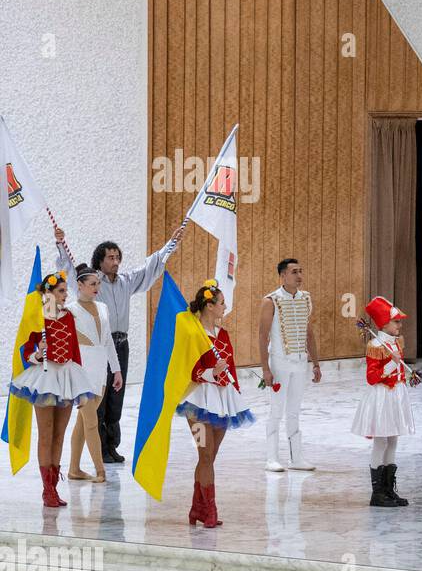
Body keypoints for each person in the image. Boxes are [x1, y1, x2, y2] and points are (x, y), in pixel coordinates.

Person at [55, 223, 187, 463]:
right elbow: (69, 271)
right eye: (110, 257)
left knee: (117, 395)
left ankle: (112, 445)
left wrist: (172, 243)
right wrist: (60, 243)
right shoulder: (92, 283)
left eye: (117, 257)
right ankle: (100, 449)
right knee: (100, 398)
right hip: (97, 348)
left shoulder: (126, 281)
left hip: (121, 344)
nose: (115, 261)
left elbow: (150, 267)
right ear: (100, 260)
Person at [10, 270, 98, 507]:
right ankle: (46, 489)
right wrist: (38, 351)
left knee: (59, 435)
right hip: (46, 377)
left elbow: (75, 351)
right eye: (60, 291)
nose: (65, 295)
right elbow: (25, 350)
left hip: (67, 378)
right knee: (46, 433)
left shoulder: (68, 316)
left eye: (65, 291)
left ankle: (54, 487)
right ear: (48, 293)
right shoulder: (38, 317)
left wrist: (79, 388)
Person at [178, 280, 254, 529]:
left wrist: (237, 394)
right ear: (209, 306)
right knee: (205, 455)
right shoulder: (192, 333)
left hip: (222, 400)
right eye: (221, 303)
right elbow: (185, 367)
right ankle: (209, 510)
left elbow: (230, 367)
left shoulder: (224, 335)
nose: (225, 307)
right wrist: (210, 371)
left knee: (210, 457)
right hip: (197, 400)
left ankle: (197, 508)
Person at [352, 297, 419, 508]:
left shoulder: (397, 342)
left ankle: (389, 489)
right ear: (384, 324)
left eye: (400, 321)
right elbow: (372, 378)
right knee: (381, 441)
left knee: (393, 440)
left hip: (396, 396)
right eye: (396, 321)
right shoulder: (375, 345)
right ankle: (377, 493)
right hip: (382, 397)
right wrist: (391, 365)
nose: (400, 325)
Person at [259, 258, 322, 472]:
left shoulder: (306, 299)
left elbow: (309, 333)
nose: (299, 276)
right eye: (294, 272)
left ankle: (296, 458)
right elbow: (262, 336)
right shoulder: (271, 301)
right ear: (283, 276)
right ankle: (271, 457)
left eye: (300, 271)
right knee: (276, 410)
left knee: (294, 411)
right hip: (279, 363)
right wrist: (265, 369)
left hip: (300, 363)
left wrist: (316, 363)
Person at [67, 265, 123, 482]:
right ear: (79, 285)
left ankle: (74, 469)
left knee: (82, 423)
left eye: (98, 283)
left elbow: (108, 341)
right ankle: (100, 470)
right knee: (91, 422)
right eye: (92, 284)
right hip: (80, 372)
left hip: (100, 373)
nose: (97, 287)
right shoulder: (70, 310)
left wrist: (116, 370)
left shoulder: (102, 307)